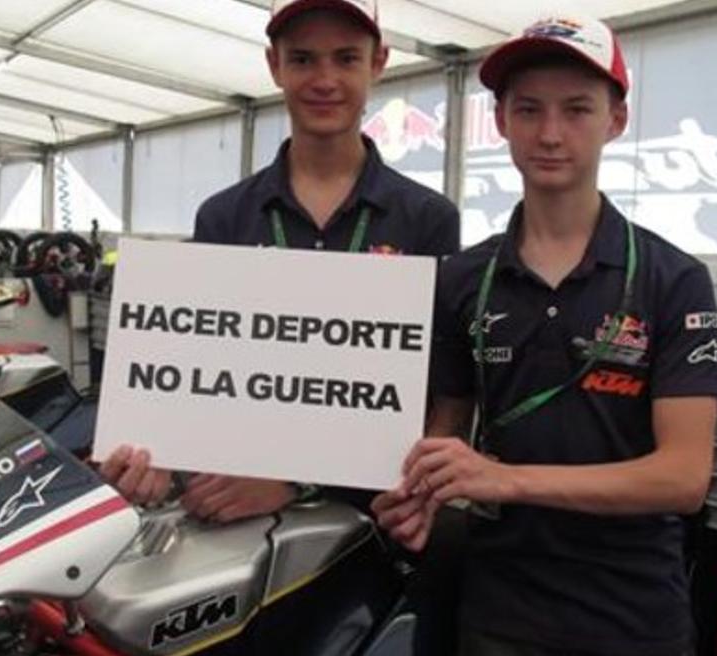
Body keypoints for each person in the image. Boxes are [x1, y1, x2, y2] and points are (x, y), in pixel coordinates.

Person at [372, 15, 717, 656]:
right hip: (500, 620)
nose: (551, 133)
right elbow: (440, 433)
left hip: (635, 623)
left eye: (577, 109)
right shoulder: (461, 279)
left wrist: (507, 478)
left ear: (616, 119)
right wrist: (416, 494)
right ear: (501, 120)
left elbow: (684, 477)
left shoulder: (673, 279)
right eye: (528, 109)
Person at [100, 0, 460, 522]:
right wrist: (155, 456)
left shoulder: (427, 218)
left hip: (369, 525)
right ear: (274, 65)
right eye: (303, 59)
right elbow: (196, 373)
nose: (324, 79)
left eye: (345, 58)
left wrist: (297, 482)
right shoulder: (224, 217)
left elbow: (444, 393)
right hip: (233, 523)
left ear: (378, 62)